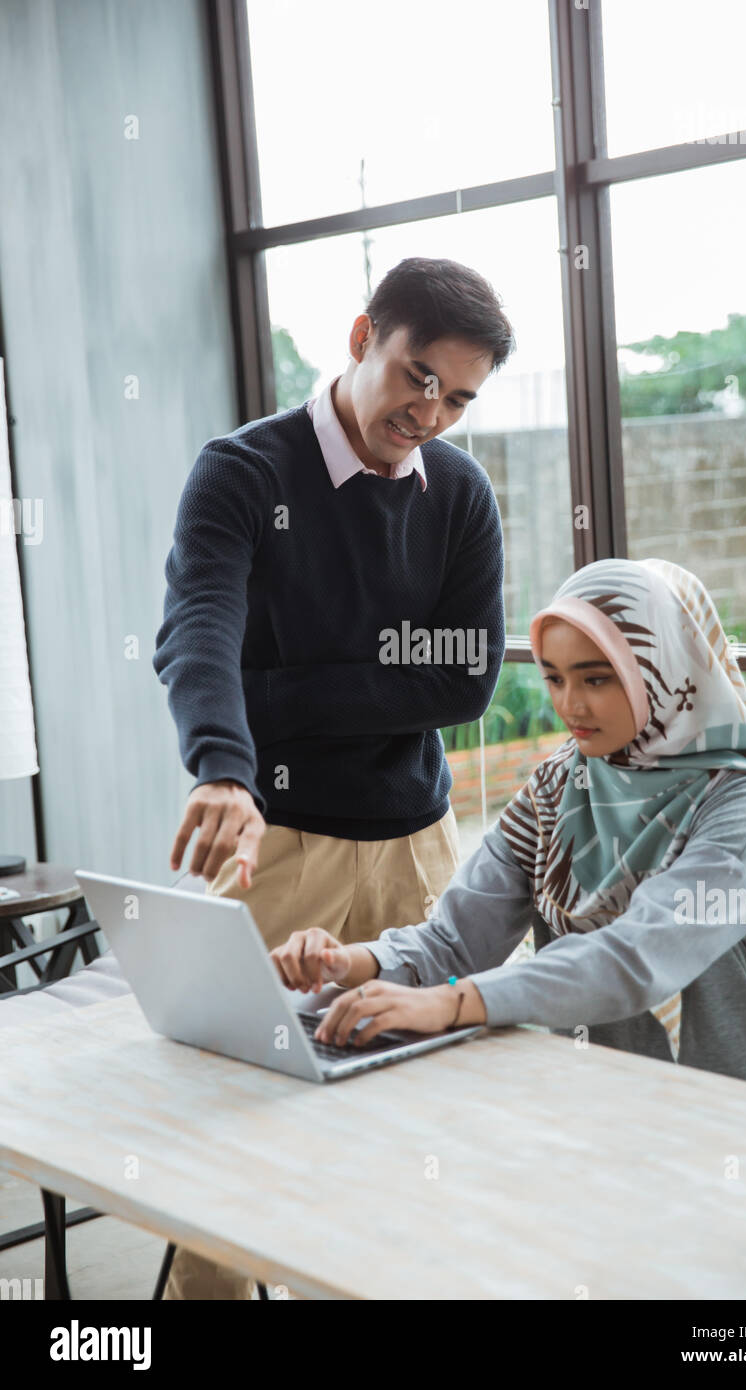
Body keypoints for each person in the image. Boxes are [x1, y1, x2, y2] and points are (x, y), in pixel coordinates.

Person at [152, 257, 513, 1299]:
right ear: (362, 337)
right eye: (418, 376)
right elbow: (198, 630)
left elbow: (466, 679)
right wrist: (225, 761)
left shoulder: (459, 493)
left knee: (420, 1107)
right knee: (230, 1113)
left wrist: (279, 692)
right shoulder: (245, 472)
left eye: (458, 396)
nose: (431, 411)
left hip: (417, 846)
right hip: (275, 839)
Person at [281, 555, 746, 1110]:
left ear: (660, 666)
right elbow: (456, 940)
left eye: (596, 678)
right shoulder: (559, 784)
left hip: (744, 1119)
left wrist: (455, 1004)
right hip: (595, 1107)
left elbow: (638, 957)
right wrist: (348, 963)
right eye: (554, 678)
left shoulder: (742, 802)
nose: (570, 704)